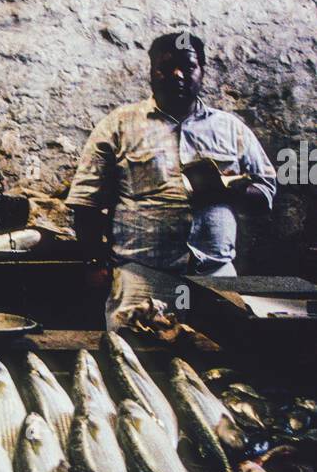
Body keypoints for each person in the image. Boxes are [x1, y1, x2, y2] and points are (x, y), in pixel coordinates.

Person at [66, 32, 276, 329]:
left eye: (188, 67)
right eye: (165, 67)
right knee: (139, 364)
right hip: (143, 277)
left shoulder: (231, 129)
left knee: (224, 364)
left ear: (202, 71)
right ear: (151, 72)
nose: (177, 74)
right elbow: (86, 201)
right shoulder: (118, 125)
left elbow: (266, 191)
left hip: (216, 277)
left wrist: (231, 190)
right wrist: (93, 261)